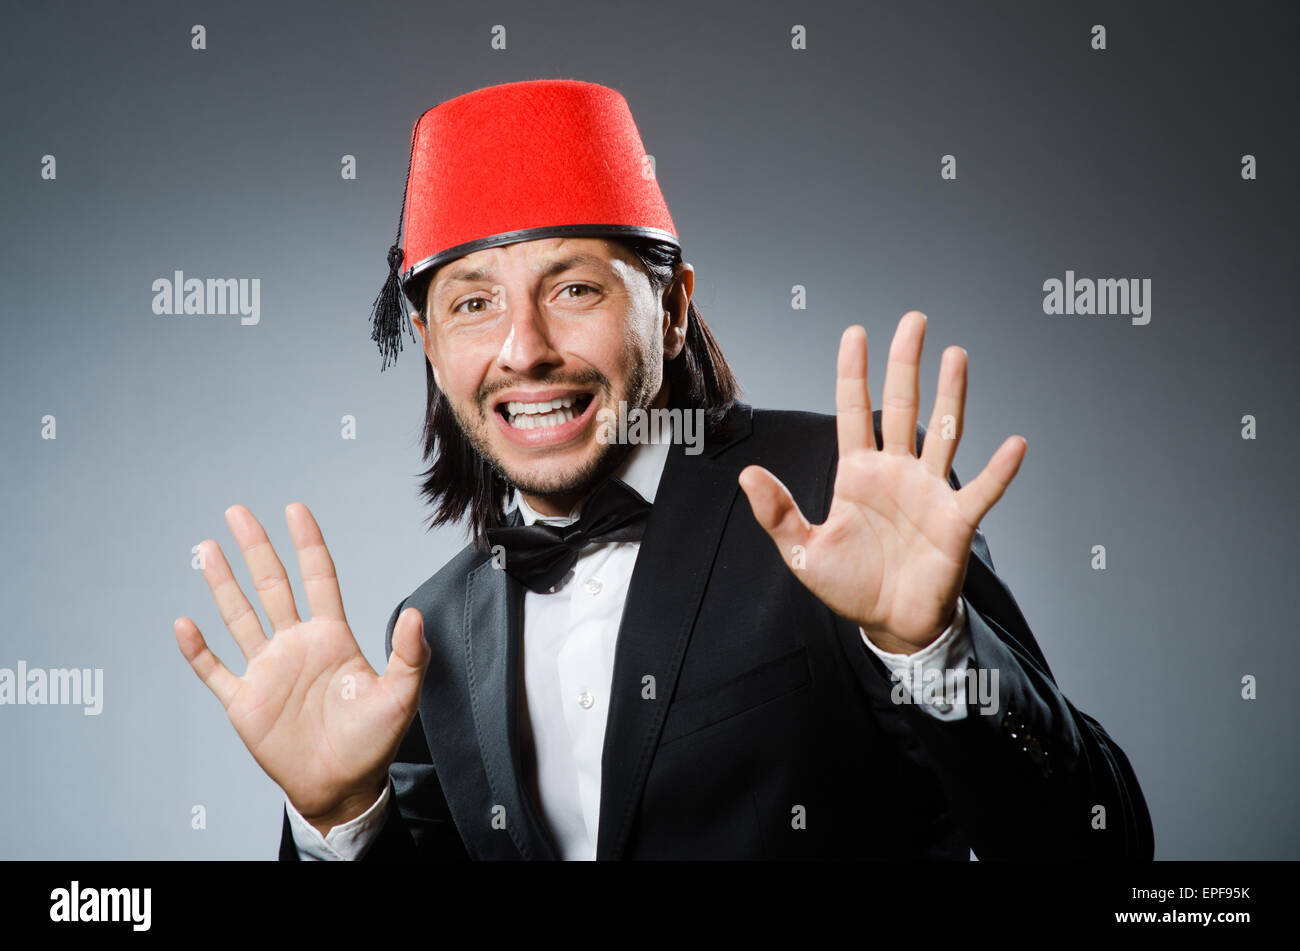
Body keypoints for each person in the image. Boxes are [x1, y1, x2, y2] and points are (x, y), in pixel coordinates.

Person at [173, 79, 1154, 860]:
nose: (524, 348)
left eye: (574, 287)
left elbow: (1101, 847)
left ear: (672, 308)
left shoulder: (837, 495)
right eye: (473, 304)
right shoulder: (430, 636)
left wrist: (934, 651)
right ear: (427, 342)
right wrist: (341, 818)